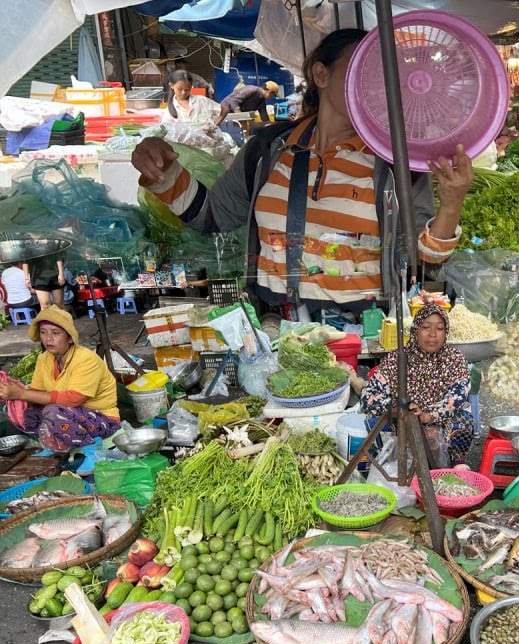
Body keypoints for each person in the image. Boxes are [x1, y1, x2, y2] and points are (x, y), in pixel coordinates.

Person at [130, 29, 474, 314]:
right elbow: (212, 216)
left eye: (381, 74)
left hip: (362, 339)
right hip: (281, 332)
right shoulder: (268, 150)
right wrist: (164, 172)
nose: (374, 84)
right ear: (320, 75)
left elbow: (422, 264)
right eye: (361, 70)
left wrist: (451, 204)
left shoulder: (395, 163)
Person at [359, 304, 474, 466]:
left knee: (464, 418)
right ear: (415, 330)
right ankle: (391, 462)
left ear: (446, 332)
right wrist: (396, 408)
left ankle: (456, 461)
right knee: (372, 421)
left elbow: (458, 395)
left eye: (439, 328)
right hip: (402, 420)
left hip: (438, 420)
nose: (433, 334)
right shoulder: (397, 359)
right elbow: (368, 397)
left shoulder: (454, 359)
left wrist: (428, 415)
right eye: (426, 327)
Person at [0, 307, 120, 453]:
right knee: (25, 412)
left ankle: (91, 451)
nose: (48, 338)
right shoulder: (44, 358)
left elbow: (73, 399)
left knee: (53, 411)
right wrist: (11, 394)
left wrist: (21, 394)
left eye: (55, 333)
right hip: (68, 415)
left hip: (102, 420)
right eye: (43, 332)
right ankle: (52, 446)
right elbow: (37, 393)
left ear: (69, 337)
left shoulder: (86, 359)